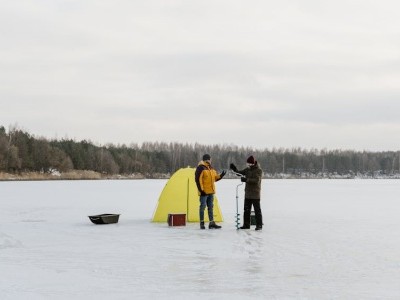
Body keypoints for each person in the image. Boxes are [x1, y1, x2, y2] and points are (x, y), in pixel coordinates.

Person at [230, 155, 263, 230]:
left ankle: (259, 225)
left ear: (252, 163)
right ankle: (246, 225)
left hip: (255, 194)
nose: (247, 165)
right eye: (247, 164)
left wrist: (246, 180)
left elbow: (256, 181)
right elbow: (240, 173)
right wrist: (235, 169)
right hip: (247, 193)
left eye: (248, 164)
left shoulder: (259, 170)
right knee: (246, 210)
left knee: (257, 210)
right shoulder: (247, 169)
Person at [195, 154, 226, 229]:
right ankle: (202, 223)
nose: (211, 160)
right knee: (202, 207)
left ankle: (211, 223)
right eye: (210, 159)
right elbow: (198, 180)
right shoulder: (200, 168)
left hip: (211, 192)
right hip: (204, 192)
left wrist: (221, 175)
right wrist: (201, 190)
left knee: (210, 207)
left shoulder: (211, 168)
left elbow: (215, 178)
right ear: (207, 159)